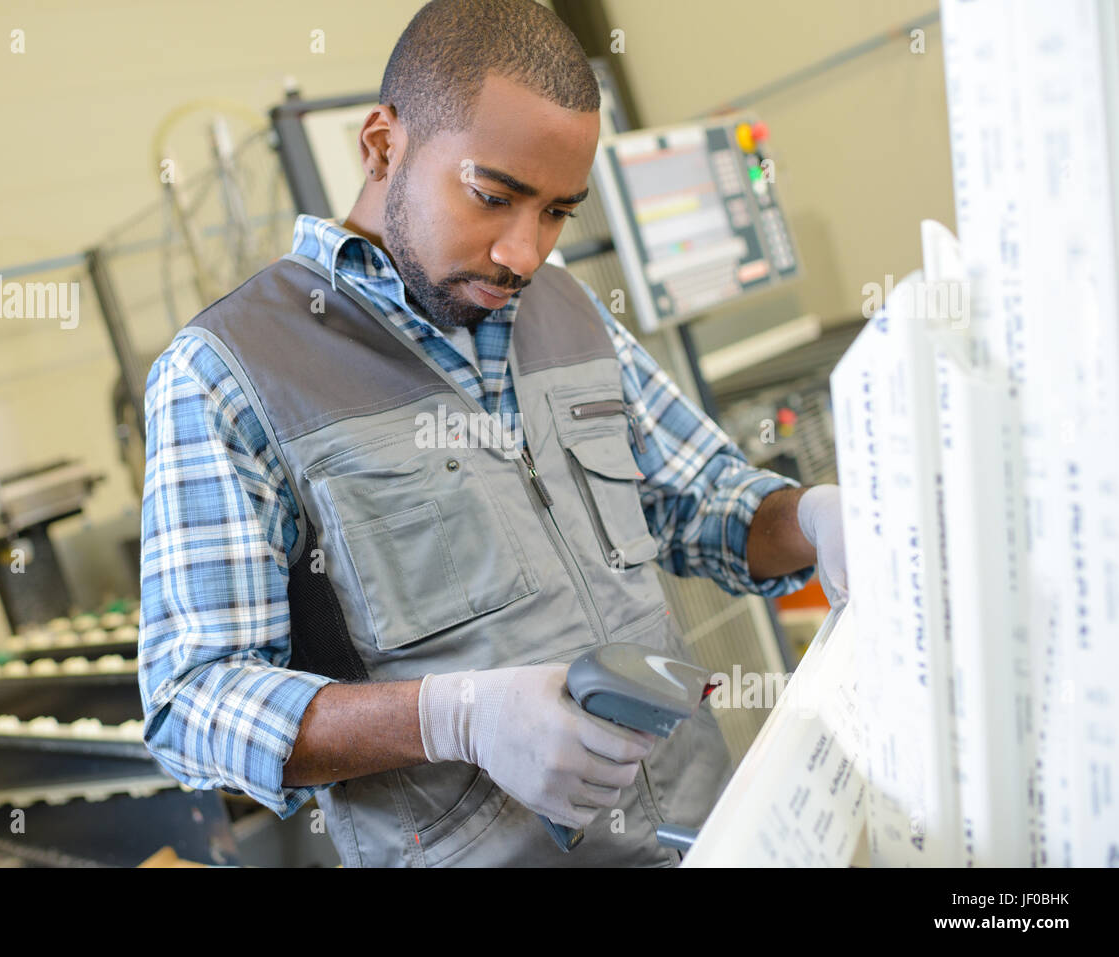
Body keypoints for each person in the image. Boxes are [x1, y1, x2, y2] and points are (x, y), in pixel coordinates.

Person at [138, 0, 848, 867]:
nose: (524, 252)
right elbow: (194, 704)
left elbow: (708, 503)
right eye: (493, 196)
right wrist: (458, 716)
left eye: (557, 213)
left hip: (703, 839)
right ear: (381, 146)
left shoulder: (569, 311)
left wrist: (813, 517)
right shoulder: (229, 371)